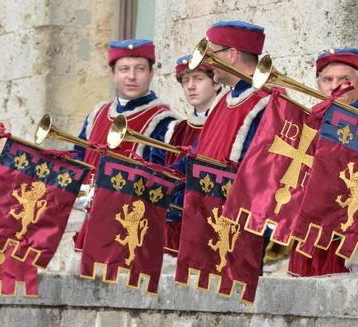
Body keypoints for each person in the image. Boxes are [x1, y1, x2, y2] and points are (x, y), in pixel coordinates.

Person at [288, 48, 358, 278]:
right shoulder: (310, 121)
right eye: (327, 80)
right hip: (307, 230)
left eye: (344, 80)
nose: (335, 86)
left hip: (346, 229)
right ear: (319, 86)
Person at [74, 39, 178, 169]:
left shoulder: (165, 122)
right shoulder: (97, 114)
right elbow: (77, 160)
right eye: (124, 69)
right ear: (113, 74)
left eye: (140, 69)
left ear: (151, 74)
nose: (132, 76)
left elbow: (159, 179)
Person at [164, 55, 222, 256]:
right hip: (174, 225)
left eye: (198, 79)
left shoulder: (227, 123)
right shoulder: (176, 129)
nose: (190, 86)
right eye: (185, 80)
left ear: (216, 84)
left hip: (211, 223)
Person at [190, 21, 271, 164]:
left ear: (232, 55)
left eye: (211, 55)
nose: (208, 64)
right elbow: (197, 154)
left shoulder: (267, 102)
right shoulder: (221, 101)